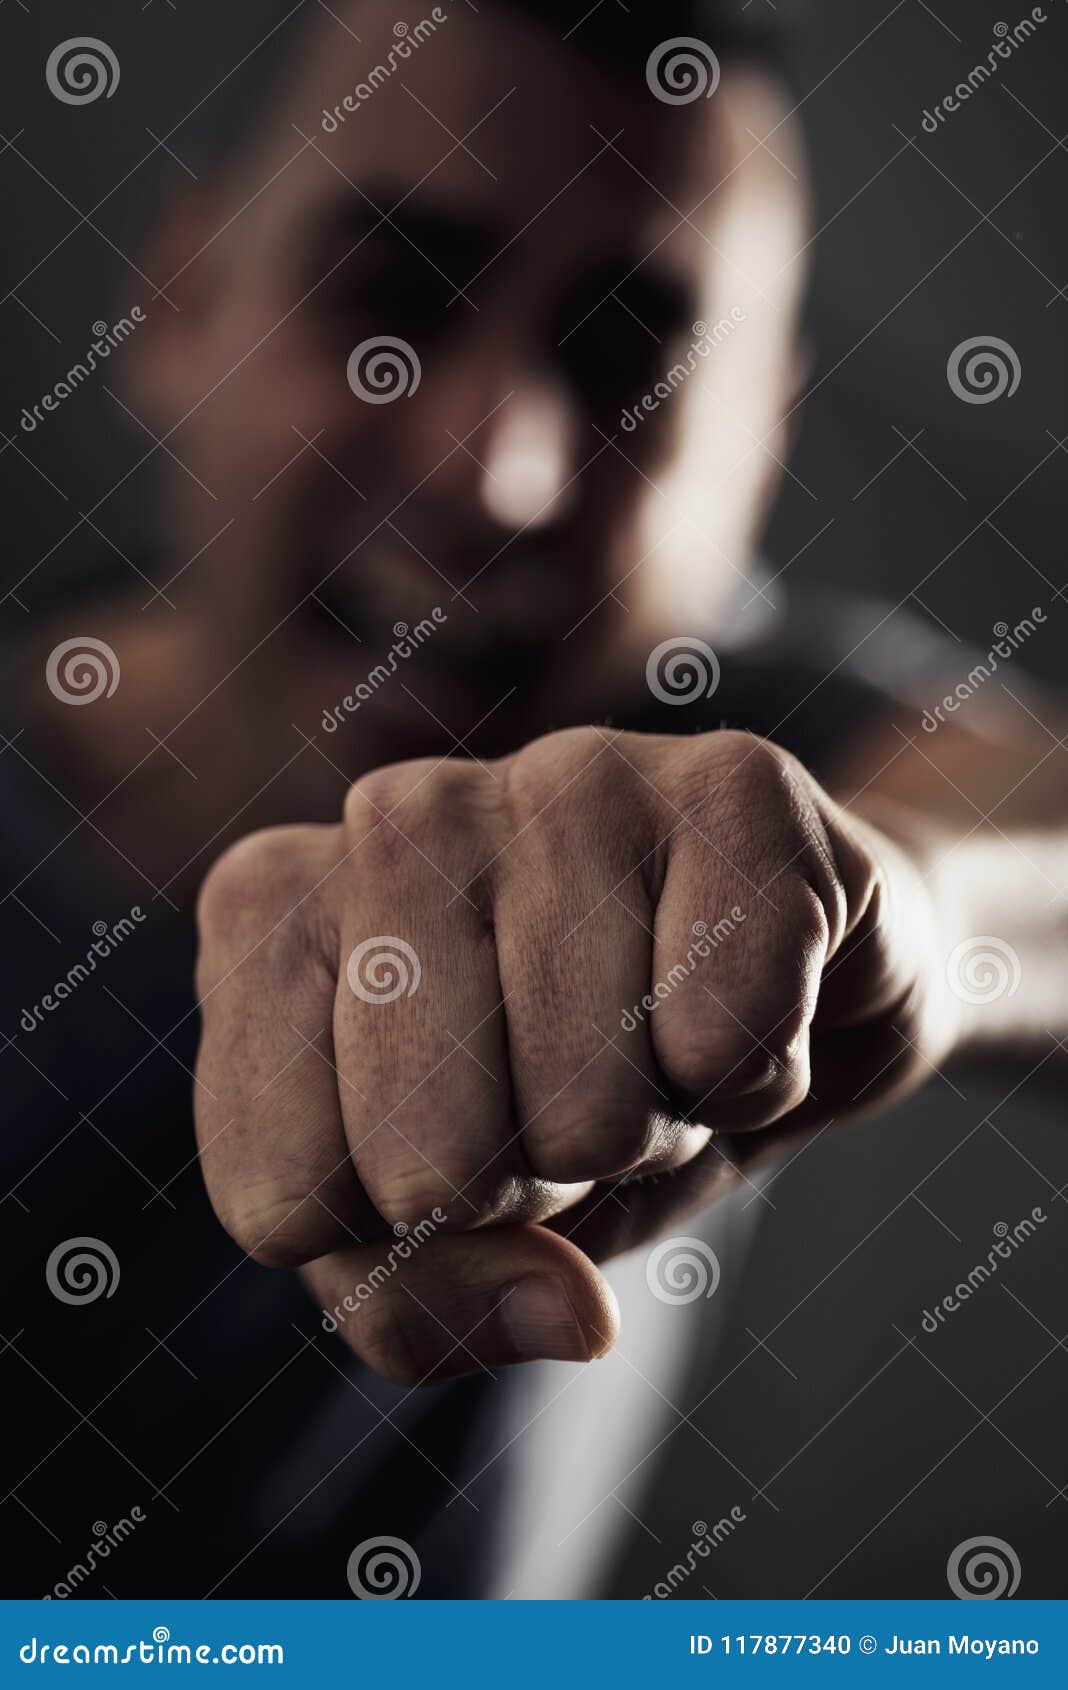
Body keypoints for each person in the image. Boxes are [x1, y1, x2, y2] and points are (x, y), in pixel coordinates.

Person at [4, 0, 1062, 1597]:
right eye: (388, 302)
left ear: (756, 435)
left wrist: (898, 905)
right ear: (179, 295)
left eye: (632, 362)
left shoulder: (735, 728)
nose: (496, 467)